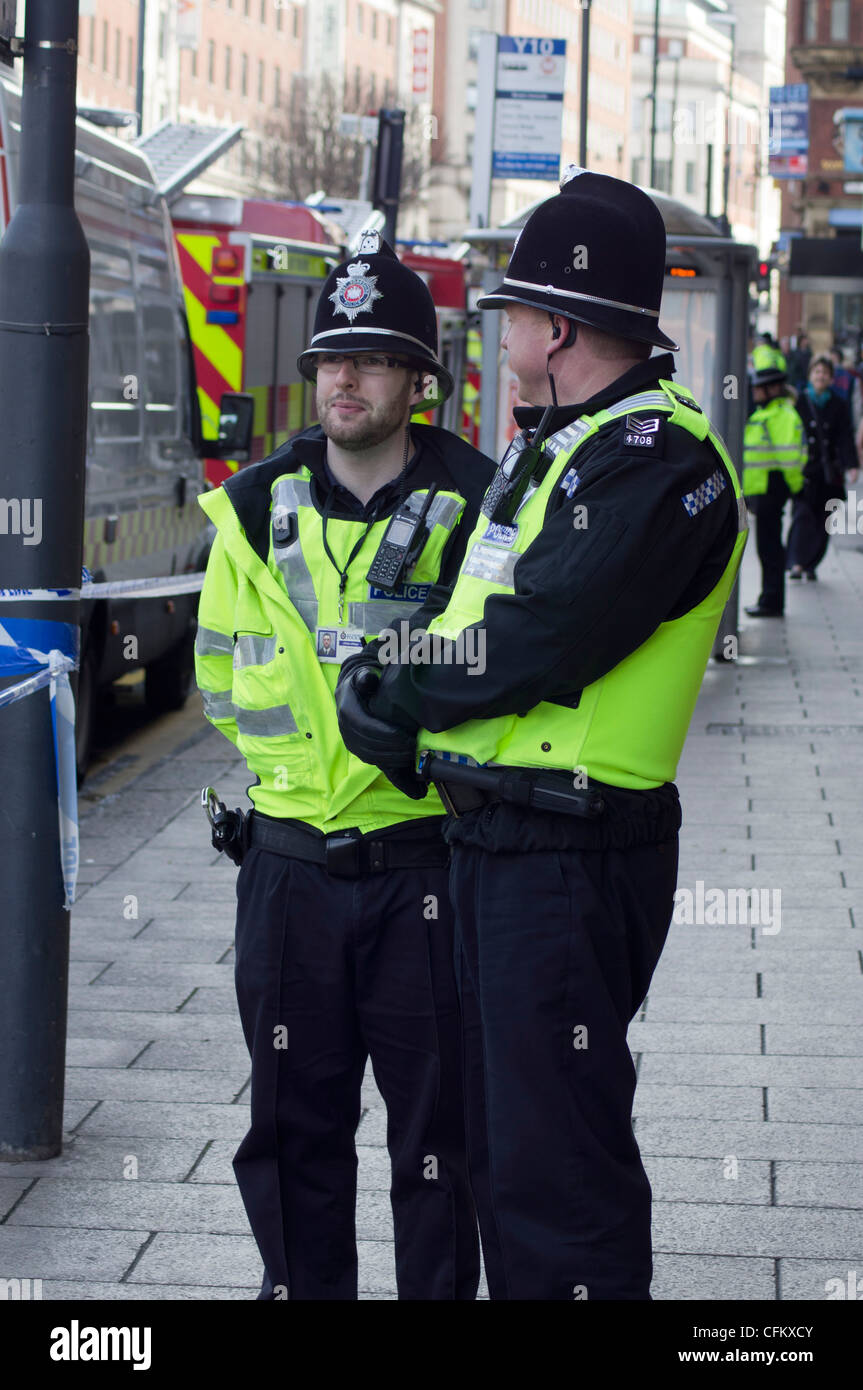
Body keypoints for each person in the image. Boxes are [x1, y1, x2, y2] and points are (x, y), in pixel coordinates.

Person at [335, 169, 748, 1300]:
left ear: (558, 324)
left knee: (554, 1168)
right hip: (494, 848)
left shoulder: (660, 464)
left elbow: (540, 634)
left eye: (515, 310)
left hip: (567, 857)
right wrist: (395, 665)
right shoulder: (555, 446)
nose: (505, 329)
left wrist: (397, 690)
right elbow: (473, 612)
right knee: (497, 1150)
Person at [194, 231, 495, 1300]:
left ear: (419, 378)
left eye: (370, 359)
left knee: (436, 1144)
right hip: (286, 870)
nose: (344, 378)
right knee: (287, 1135)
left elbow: (506, 675)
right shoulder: (249, 512)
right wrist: (297, 792)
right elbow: (224, 680)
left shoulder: (480, 508)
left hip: (426, 865)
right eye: (330, 358)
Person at [741, 345, 808, 616]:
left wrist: (796, 488)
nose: (755, 391)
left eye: (759, 387)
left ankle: (771, 601)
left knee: (769, 548)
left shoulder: (780, 415)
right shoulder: (769, 413)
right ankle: (769, 598)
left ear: (772, 389)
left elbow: (789, 458)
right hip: (765, 489)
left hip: (773, 488)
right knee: (767, 546)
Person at [788, 355, 859, 580]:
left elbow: (845, 437)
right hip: (805, 470)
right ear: (810, 376)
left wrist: (852, 465)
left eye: (825, 373)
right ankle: (797, 562)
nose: (821, 376)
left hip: (829, 474)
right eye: (817, 372)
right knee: (802, 515)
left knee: (824, 519)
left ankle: (811, 563)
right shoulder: (799, 402)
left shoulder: (838, 405)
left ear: (831, 379)